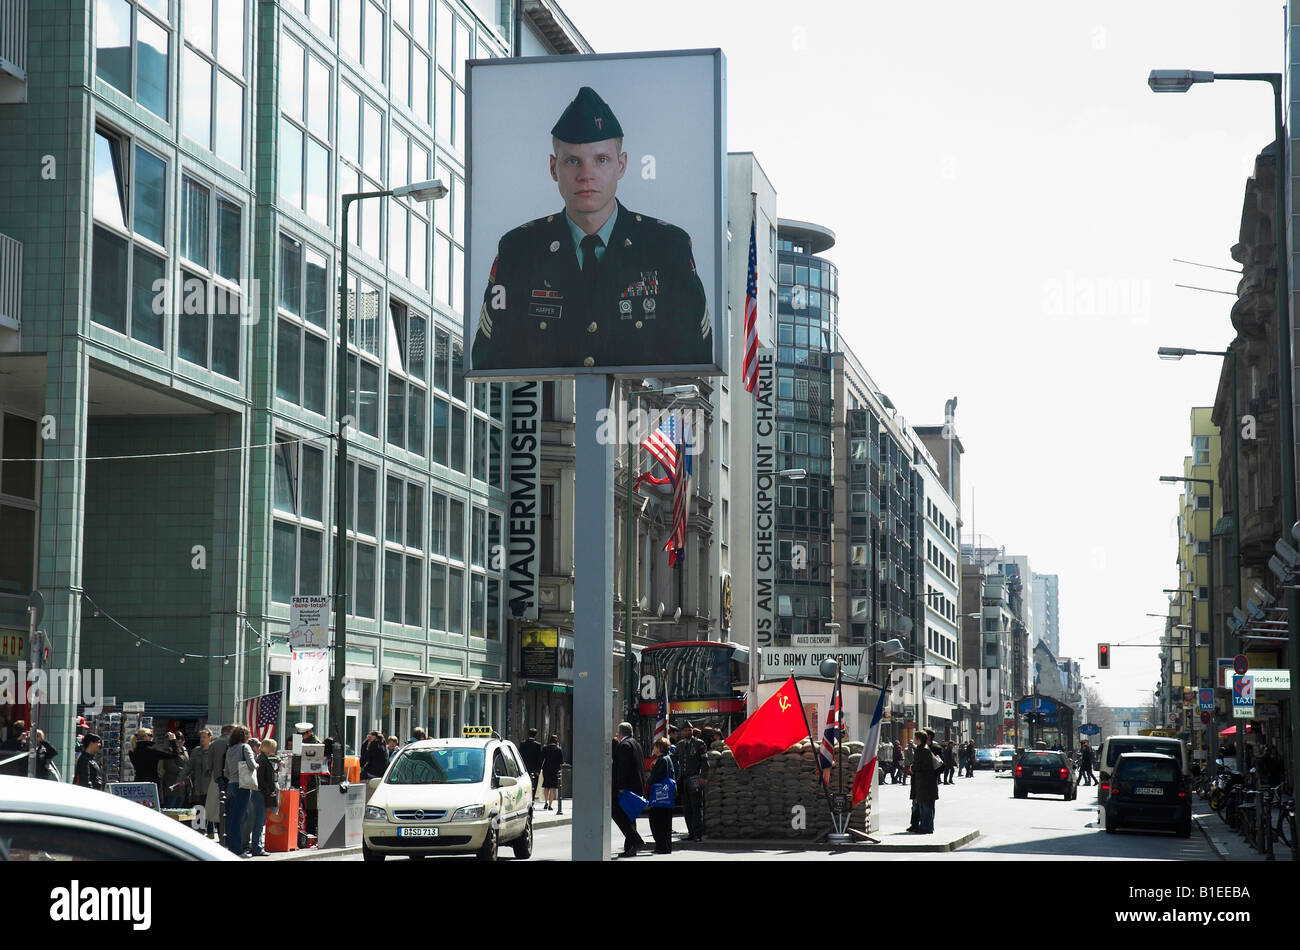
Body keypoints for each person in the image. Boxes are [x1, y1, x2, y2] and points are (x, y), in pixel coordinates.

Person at [472, 86, 711, 372]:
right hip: (550, 415)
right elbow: (490, 360)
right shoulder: (520, 250)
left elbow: (694, 361)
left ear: (621, 165)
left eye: (601, 160)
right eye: (573, 161)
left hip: (638, 413)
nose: (586, 175)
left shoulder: (667, 247)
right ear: (553, 168)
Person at [612, 721, 647, 857]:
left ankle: (636, 840)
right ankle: (630, 848)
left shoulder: (625, 745)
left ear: (620, 734)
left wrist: (621, 787)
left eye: (617, 733)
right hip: (636, 786)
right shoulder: (636, 744)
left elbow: (623, 768)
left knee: (617, 813)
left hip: (626, 788)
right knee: (630, 817)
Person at [223, 726, 257, 857]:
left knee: (231, 819)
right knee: (239, 818)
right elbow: (252, 764)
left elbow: (225, 771)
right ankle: (237, 850)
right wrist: (257, 764)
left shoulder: (230, 749)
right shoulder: (245, 747)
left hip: (231, 784)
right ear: (245, 736)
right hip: (243, 785)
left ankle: (232, 847)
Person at [675, 721, 708, 842]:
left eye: (689, 730)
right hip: (683, 779)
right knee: (686, 808)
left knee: (696, 807)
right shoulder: (679, 745)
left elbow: (705, 761)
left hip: (694, 778)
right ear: (682, 732)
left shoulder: (699, 743)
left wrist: (702, 776)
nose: (687, 732)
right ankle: (690, 833)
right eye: (685, 730)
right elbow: (675, 758)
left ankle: (698, 834)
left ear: (692, 730)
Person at [178, 729, 216, 832]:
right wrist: (181, 778)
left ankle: (208, 829)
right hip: (198, 784)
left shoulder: (214, 750)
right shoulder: (196, 751)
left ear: (210, 738)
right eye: (201, 737)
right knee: (200, 806)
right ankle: (204, 828)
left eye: (204, 737)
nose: (202, 739)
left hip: (211, 784)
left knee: (209, 806)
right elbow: (188, 766)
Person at [246, 738, 278, 858]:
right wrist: (268, 791)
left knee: (258, 821)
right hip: (260, 794)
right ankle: (257, 847)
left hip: (258, 793)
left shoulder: (262, 759)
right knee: (259, 821)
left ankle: (257, 846)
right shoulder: (263, 761)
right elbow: (261, 780)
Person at [909, 732, 943, 834]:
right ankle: (924, 826)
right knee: (923, 806)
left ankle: (926, 827)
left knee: (926, 807)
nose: (914, 740)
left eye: (915, 738)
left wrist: (913, 767)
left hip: (926, 783)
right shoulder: (922, 749)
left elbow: (925, 766)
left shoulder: (923, 750)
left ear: (919, 739)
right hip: (923, 783)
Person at [647, 736, 677, 854]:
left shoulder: (662, 760)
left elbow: (656, 777)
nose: (653, 748)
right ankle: (664, 846)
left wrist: (649, 780)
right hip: (666, 797)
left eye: (655, 746)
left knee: (657, 821)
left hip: (660, 797)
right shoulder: (666, 758)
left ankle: (661, 846)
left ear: (659, 747)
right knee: (664, 822)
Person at [206, 725, 233, 844]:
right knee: (230, 807)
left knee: (217, 808)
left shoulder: (214, 744)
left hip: (216, 779)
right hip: (232, 779)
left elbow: (208, 764)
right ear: (231, 732)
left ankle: (220, 833)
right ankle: (228, 835)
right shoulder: (235, 742)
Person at [160, 732, 187, 807]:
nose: (180, 741)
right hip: (172, 784)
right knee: (170, 808)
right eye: (178, 739)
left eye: (182, 739)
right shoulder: (169, 751)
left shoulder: (184, 751)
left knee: (179, 810)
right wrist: (184, 771)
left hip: (182, 785)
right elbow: (169, 766)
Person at [540, 734, 564, 810]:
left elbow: (541, 759)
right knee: (553, 787)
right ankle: (550, 805)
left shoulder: (545, 748)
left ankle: (545, 802)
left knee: (546, 786)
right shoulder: (558, 749)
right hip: (555, 770)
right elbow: (561, 761)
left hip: (546, 769)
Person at [519, 728, 543, 797]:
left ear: (528, 734)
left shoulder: (523, 744)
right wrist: (538, 770)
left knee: (524, 784)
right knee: (534, 784)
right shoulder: (537, 745)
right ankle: (532, 799)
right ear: (535, 735)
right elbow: (539, 759)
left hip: (524, 768)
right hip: (534, 768)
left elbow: (520, 756)